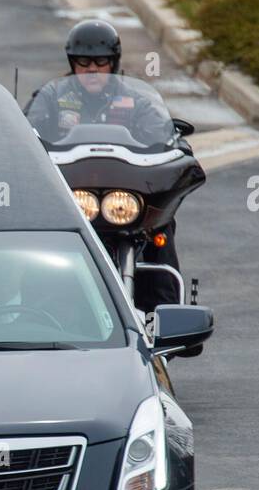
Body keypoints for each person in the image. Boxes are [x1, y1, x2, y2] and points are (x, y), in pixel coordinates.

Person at [25, 19, 192, 309]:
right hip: (70, 195)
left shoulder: (134, 99)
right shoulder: (51, 96)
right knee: (33, 234)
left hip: (123, 196)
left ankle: (168, 310)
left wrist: (175, 145)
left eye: (100, 61)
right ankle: (30, 308)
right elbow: (26, 131)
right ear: (72, 62)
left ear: (113, 62)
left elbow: (162, 135)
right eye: (83, 61)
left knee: (160, 226)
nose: (91, 69)